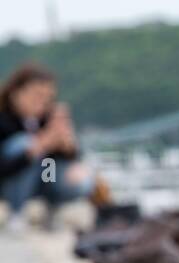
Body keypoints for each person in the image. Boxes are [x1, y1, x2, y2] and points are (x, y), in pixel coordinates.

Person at [0, 62, 110, 220]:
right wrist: (38, 146)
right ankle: (16, 215)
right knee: (23, 143)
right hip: (10, 186)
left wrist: (67, 147)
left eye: (47, 98)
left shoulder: (47, 119)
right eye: (37, 96)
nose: (42, 103)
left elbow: (52, 162)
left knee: (80, 178)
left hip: (44, 182)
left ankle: (51, 209)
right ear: (15, 93)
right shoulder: (4, 120)